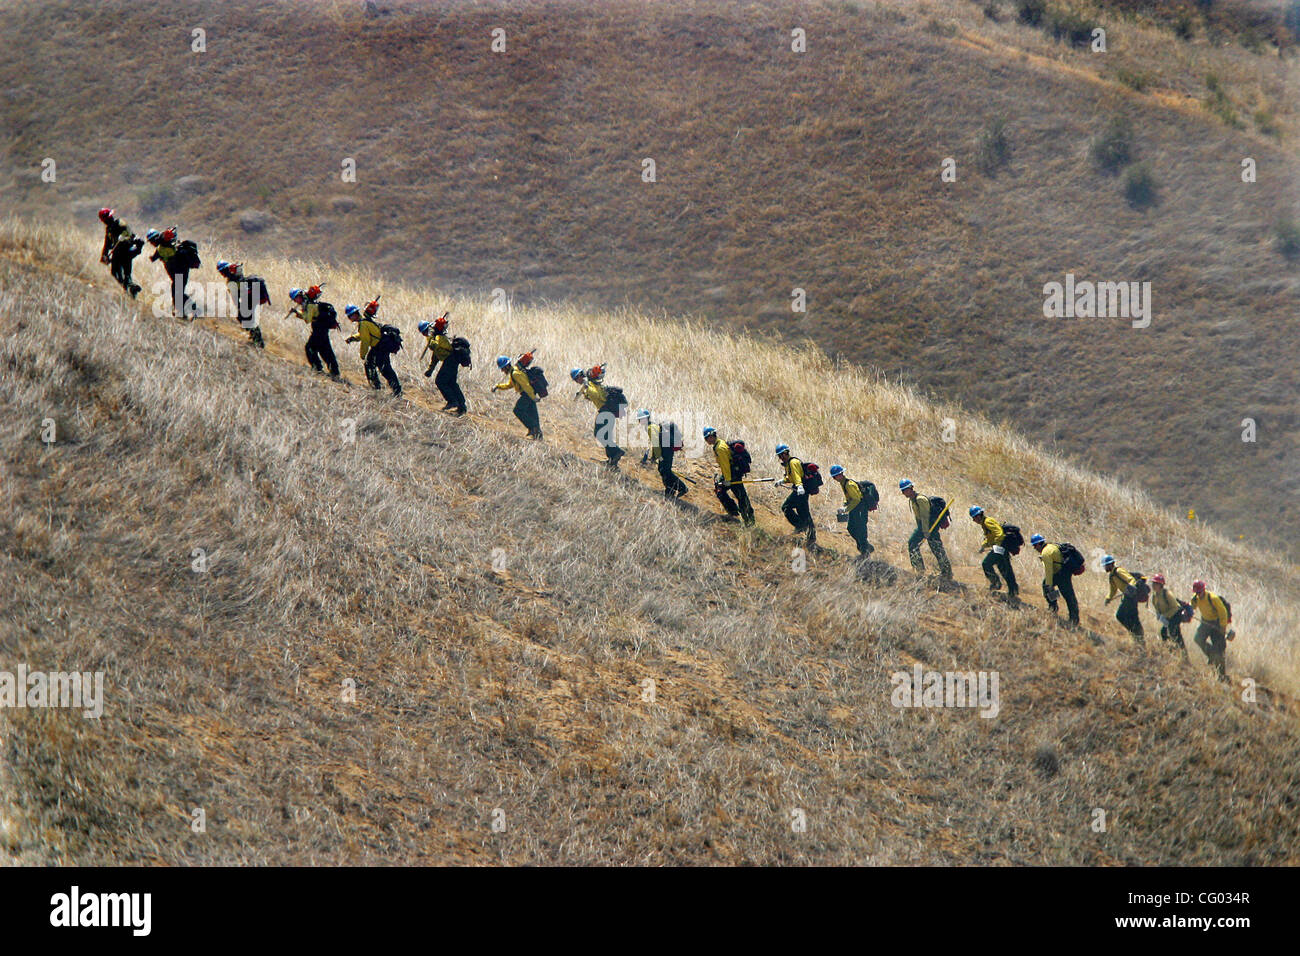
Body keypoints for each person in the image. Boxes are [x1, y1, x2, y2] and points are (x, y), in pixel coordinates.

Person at [571, 366, 625, 469]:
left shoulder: (589, 384)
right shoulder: (592, 382)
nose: (576, 381)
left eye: (575, 379)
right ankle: (612, 461)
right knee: (606, 436)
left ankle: (617, 451)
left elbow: (598, 395)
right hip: (608, 411)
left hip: (605, 411)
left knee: (599, 434)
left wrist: (587, 389)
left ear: (579, 376)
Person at [344, 302, 401, 396]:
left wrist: (362, 354)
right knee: (371, 365)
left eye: (350, 316)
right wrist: (353, 338)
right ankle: (377, 386)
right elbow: (366, 335)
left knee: (384, 369)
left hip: (379, 348)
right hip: (380, 347)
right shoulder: (365, 321)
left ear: (354, 314)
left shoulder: (363, 324)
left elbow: (365, 341)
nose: (349, 318)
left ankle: (395, 390)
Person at [899, 479, 952, 580]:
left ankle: (946, 573)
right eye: (902, 491)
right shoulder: (913, 500)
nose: (904, 493)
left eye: (905, 490)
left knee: (936, 549)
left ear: (911, 488)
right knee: (913, 544)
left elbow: (924, 516)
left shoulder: (920, 499)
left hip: (929, 526)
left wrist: (925, 531)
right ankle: (920, 569)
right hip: (923, 527)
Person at [419, 313, 469, 414]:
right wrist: (430, 369)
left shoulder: (437, 338)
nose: (426, 334)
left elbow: (436, 348)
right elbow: (436, 356)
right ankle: (461, 406)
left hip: (450, 361)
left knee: (440, 381)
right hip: (452, 360)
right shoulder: (439, 337)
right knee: (452, 383)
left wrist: (432, 344)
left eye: (425, 332)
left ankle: (452, 401)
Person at [704, 427, 754, 526]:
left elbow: (725, 465)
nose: (706, 440)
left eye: (706, 438)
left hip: (732, 475)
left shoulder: (719, 448)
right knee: (721, 490)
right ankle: (734, 512)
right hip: (731, 473)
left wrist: (727, 480)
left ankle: (749, 520)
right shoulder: (720, 443)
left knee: (741, 496)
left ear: (711, 436)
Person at [289, 286, 340, 378]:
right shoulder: (309, 303)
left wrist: (298, 313)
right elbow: (309, 317)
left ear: (299, 296)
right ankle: (335, 372)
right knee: (325, 350)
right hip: (321, 329)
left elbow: (307, 319)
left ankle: (318, 369)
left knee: (310, 348)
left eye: (295, 299)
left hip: (319, 330)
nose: (295, 301)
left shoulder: (310, 305)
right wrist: (299, 313)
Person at [1189, 579, 1234, 682]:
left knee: (1219, 651)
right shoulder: (1196, 598)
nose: (1198, 594)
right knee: (1198, 639)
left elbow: (1223, 612)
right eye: (1196, 592)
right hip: (1205, 623)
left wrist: (1223, 627)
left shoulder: (1213, 598)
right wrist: (1188, 611)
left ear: (1203, 590)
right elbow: (1192, 606)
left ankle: (1222, 675)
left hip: (1217, 624)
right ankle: (1211, 655)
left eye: (1199, 592)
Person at [636, 409, 688, 498]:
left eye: (641, 419)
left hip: (666, 451)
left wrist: (658, 457)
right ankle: (670, 490)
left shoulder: (650, 427)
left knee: (665, 470)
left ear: (646, 418)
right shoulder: (652, 425)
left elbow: (656, 444)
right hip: (666, 449)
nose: (640, 421)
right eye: (640, 419)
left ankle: (682, 488)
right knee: (663, 470)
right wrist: (654, 456)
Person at [969, 505, 1017, 599]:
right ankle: (1013, 590)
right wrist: (984, 545)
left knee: (986, 563)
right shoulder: (985, 523)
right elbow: (990, 537)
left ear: (978, 516)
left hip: (1000, 548)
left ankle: (995, 583)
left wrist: (997, 546)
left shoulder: (987, 522)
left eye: (974, 518)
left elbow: (1000, 534)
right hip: (1001, 548)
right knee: (1004, 569)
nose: (974, 520)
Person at [1031, 534, 1079, 625]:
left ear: (1039, 544)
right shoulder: (1050, 546)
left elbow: (1048, 571)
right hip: (1062, 572)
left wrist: (1049, 584)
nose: (1034, 548)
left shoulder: (1045, 553)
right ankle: (1054, 606)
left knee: (1067, 595)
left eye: (1034, 545)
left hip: (1061, 574)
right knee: (1066, 594)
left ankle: (1073, 619)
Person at [215, 261, 266, 348]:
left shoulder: (232, 277)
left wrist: (239, 305)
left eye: (221, 272)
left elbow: (236, 294)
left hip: (250, 297)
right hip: (250, 296)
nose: (221, 274)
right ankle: (255, 336)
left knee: (246, 317)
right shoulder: (234, 275)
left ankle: (258, 341)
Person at [775, 444, 816, 549]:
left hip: (800, 490)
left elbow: (797, 477)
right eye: (779, 456)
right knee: (803, 511)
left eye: (781, 455)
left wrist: (799, 486)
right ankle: (809, 534)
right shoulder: (789, 463)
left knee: (787, 507)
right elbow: (791, 477)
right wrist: (782, 481)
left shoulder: (793, 462)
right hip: (799, 489)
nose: (781, 457)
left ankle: (802, 527)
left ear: (786, 453)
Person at [492, 355, 541, 438]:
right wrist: (498, 386)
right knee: (533, 414)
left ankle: (533, 429)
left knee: (518, 410)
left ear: (507, 366)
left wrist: (533, 397)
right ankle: (538, 435)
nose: (502, 370)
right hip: (529, 394)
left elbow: (526, 386)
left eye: (503, 368)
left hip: (527, 394)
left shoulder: (515, 373)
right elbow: (510, 384)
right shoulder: (513, 372)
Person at [830, 465, 874, 556]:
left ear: (841, 474)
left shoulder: (849, 484)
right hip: (855, 508)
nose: (835, 478)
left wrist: (846, 509)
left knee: (861, 529)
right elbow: (850, 497)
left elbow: (857, 499)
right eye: (834, 476)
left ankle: (865, 551)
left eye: (837, 475)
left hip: (860, 507)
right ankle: (865, 547)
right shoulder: (843, 483)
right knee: (851, 528)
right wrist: (845, 504)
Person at [1102, 554, 1144, 642]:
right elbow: (1113, 590)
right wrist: (1108, 598)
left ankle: (1137, 634)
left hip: (1131, 596)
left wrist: (1131, 589)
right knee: (1132, 617)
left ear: (1111, 564)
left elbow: (1131, 579)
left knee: (1120, 615)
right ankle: (1137, 635)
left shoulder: (1119, 571)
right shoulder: (1112, 576)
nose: (1104, 567)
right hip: (1128, 596)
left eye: (1106, 565)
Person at [1148, 573, 1189, 657]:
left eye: (1156, 584)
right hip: (1167, 618)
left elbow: (1175, 607)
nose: (1153, 585)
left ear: (1161, 585)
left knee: (1175, 634)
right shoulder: (1154, 596)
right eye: (1153, 583)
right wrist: (1158, 615)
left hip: (1175, 616)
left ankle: (1184, 655)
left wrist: (1165, 616)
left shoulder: (1167, 594)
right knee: (1163, 633)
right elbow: (1157, 607)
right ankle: (1173, 651)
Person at [109, 232, 145, 298]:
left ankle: (129, 289)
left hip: (121, 256)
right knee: (126, 276)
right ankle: (131, 288)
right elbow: (139, 247)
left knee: (118, 276)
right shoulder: (129, 238)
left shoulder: (121, 237)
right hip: (127, 256)